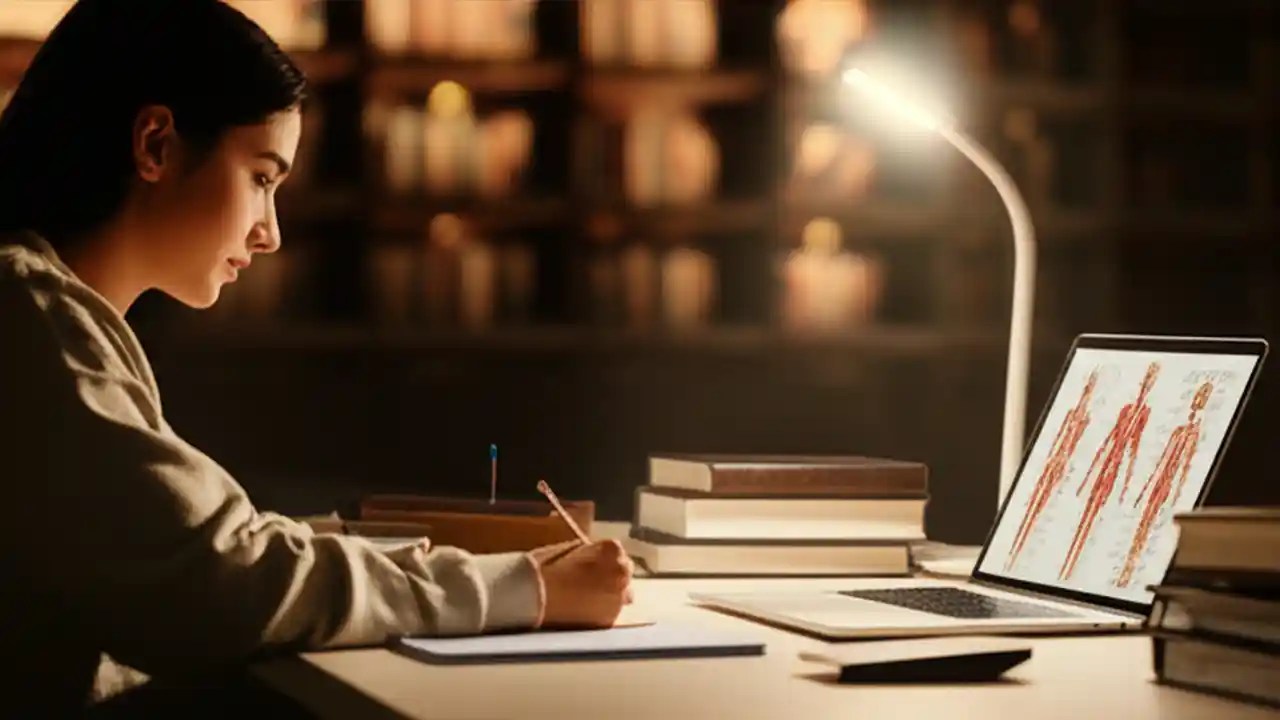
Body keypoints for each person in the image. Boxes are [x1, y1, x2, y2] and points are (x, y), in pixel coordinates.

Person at [0, 1, 632, 715]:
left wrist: (464, 569)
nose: (269, 233)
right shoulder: (27, 316)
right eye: (262, 179)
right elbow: (217, 583)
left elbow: (199, 548)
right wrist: (521, 590)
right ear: (155, 145)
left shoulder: (47, 310)